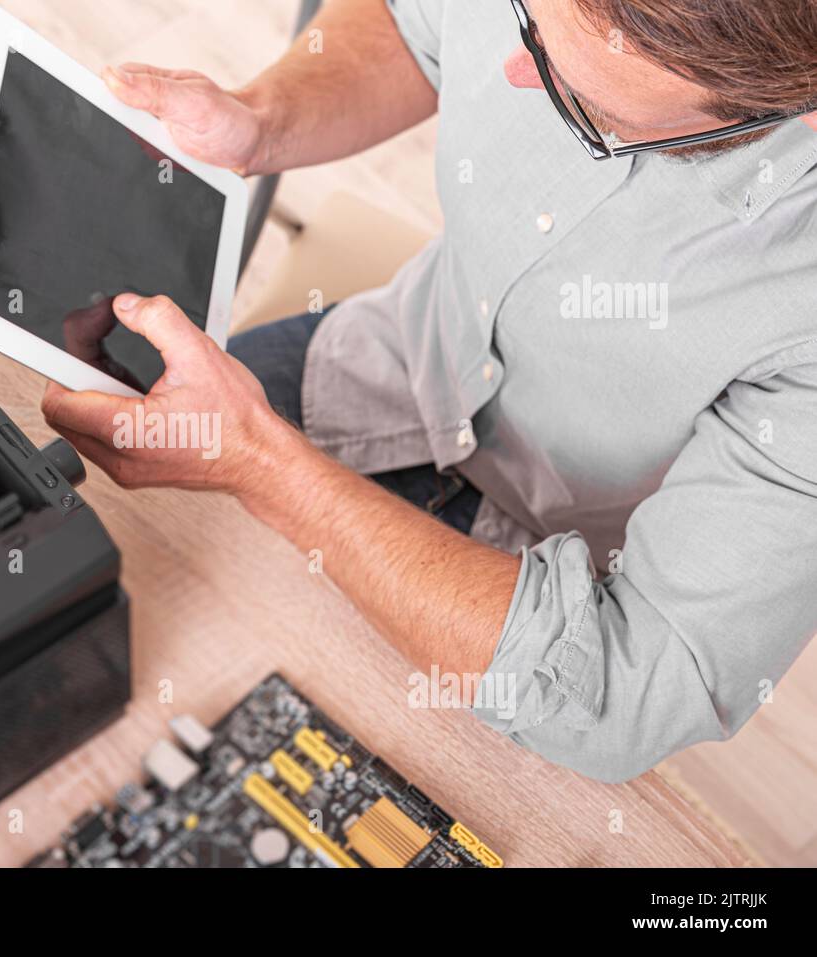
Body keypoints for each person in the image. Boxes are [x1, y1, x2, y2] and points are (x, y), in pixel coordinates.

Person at [41, 0, 817, 782]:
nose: (514, 67)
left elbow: (622, 692)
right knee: (69, 550)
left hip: (542, 604)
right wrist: (263, 120)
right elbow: (413, 22)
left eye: (589, 108)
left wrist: (261, 465)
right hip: (388, 365)